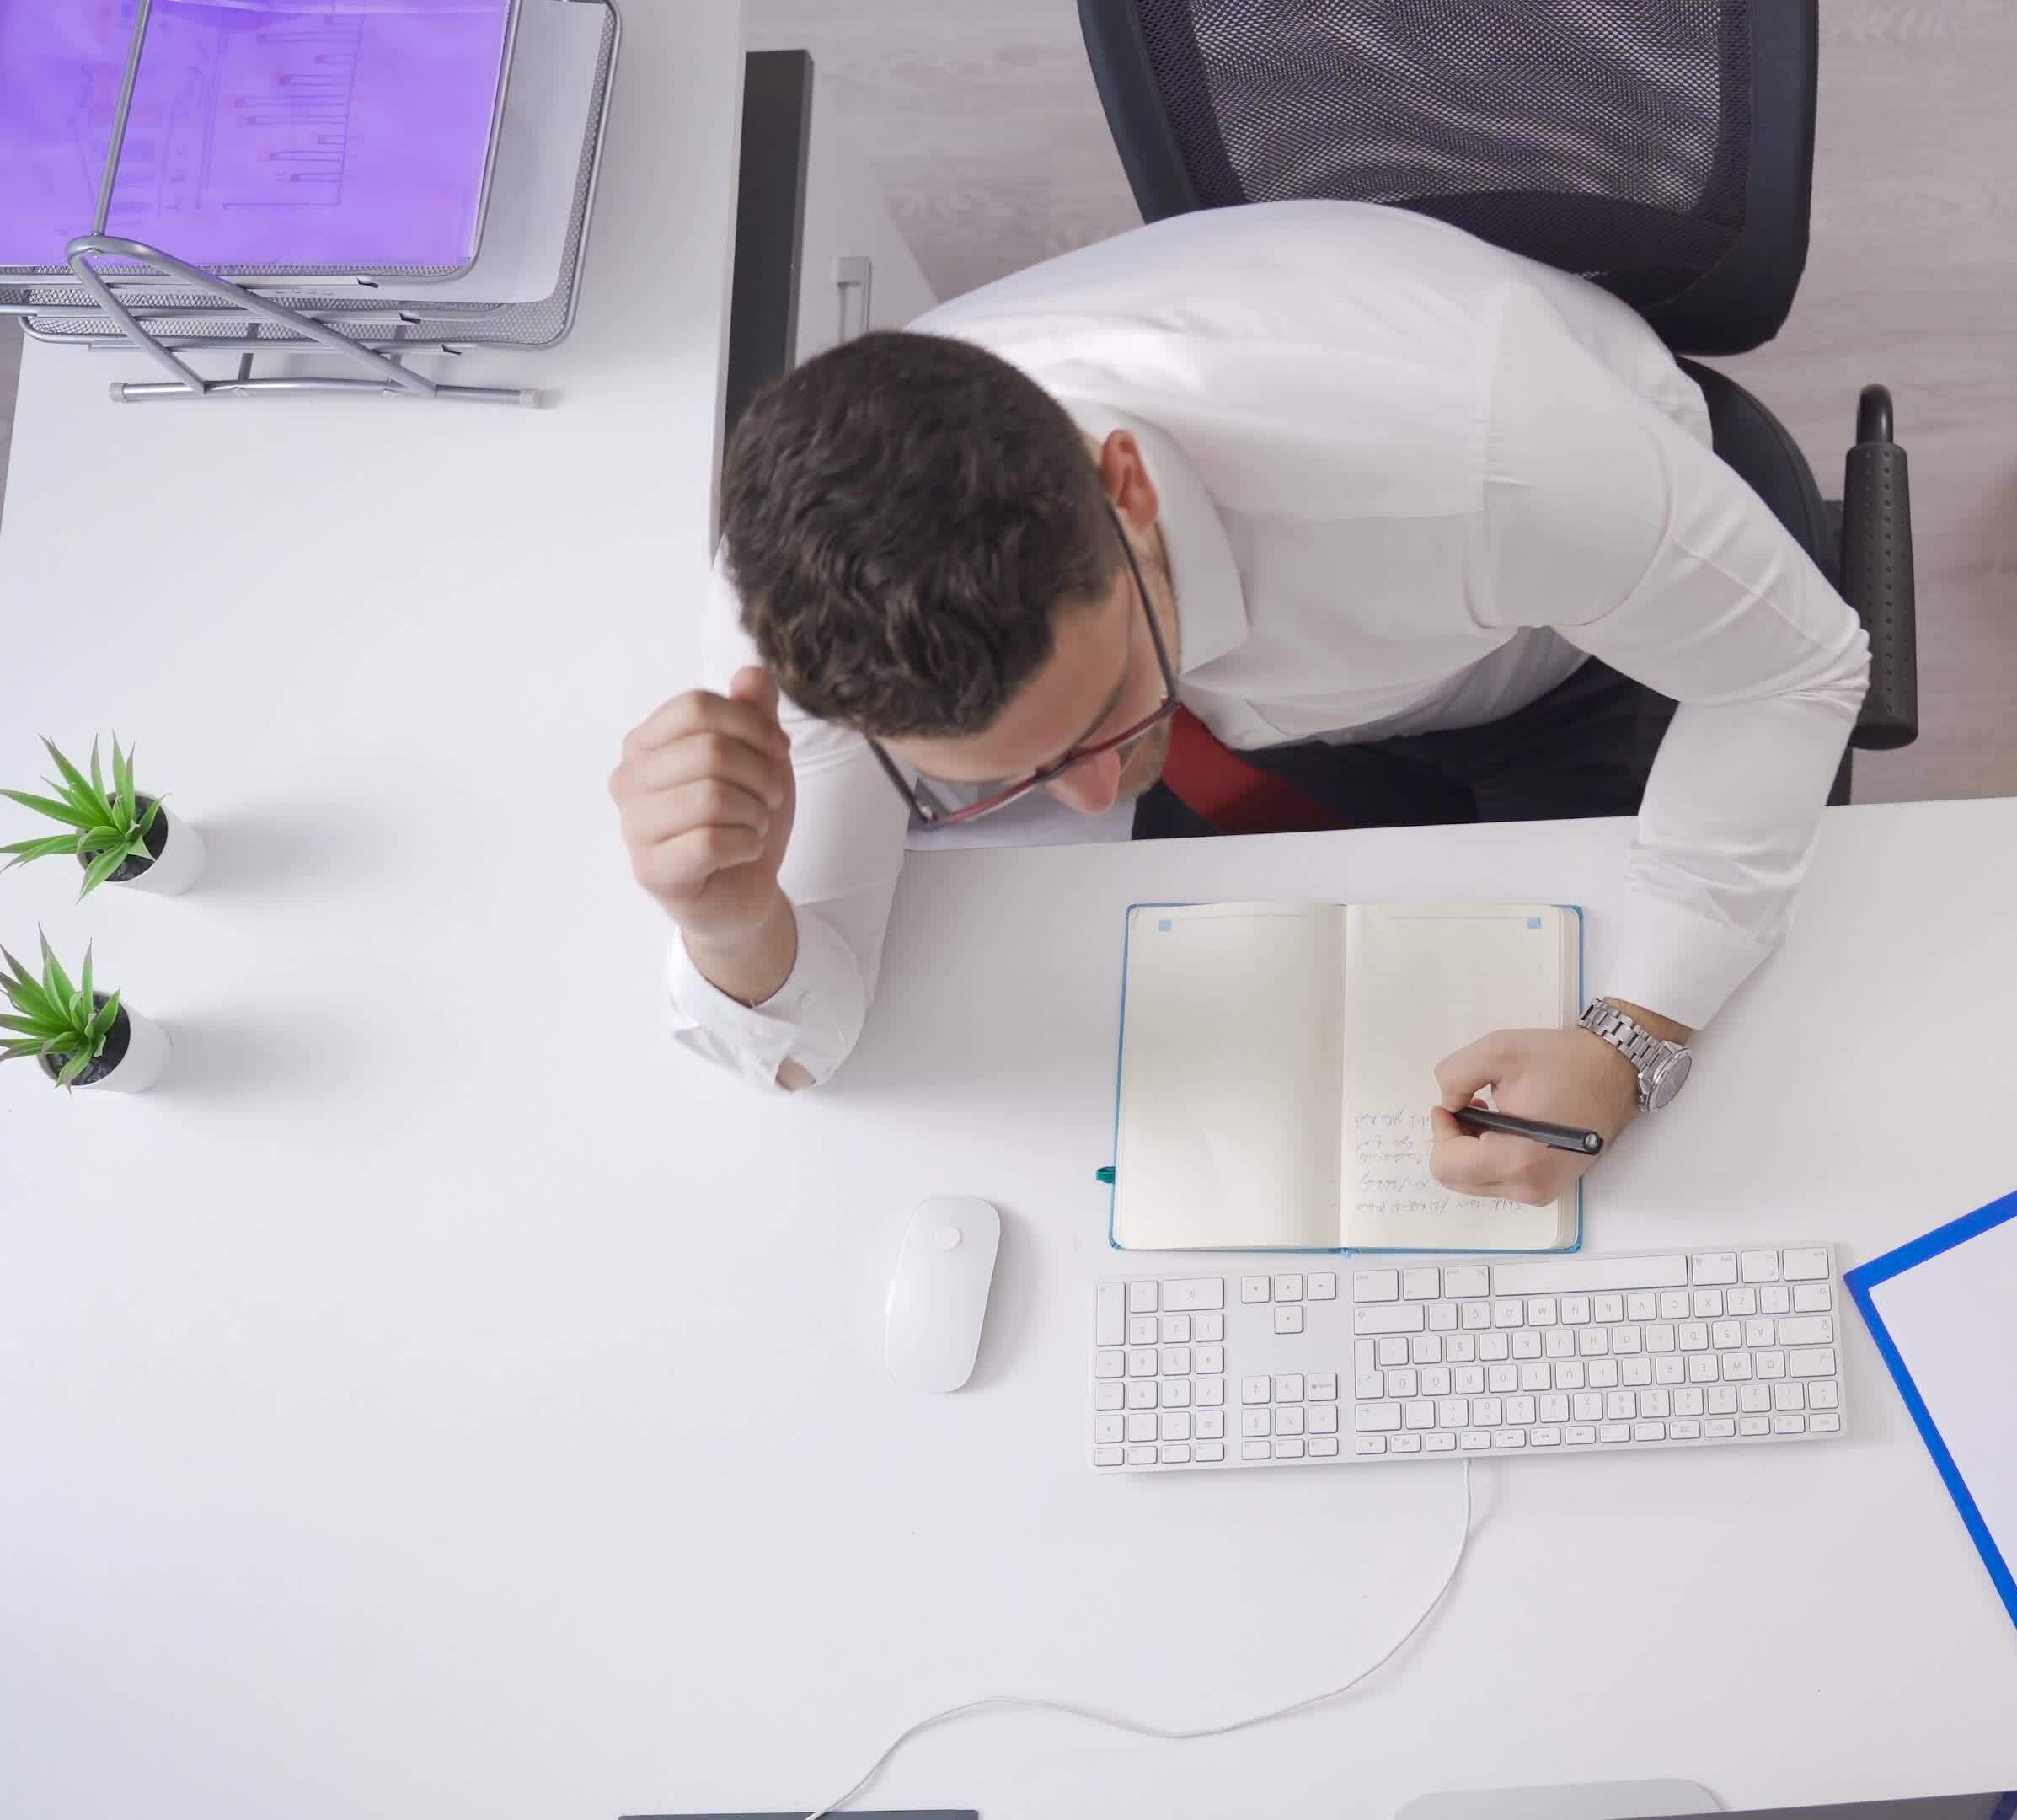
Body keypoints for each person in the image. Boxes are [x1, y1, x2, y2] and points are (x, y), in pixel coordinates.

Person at [609, 200, 1868, 1207]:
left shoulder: (1497, 461)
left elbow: (1799, 667)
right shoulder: (817, 600)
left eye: (1098, 709)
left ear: (1128, 488)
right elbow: (804, 1046)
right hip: (1283, 726)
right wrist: (730, 921)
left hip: (1574, 653)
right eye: (1009, 772)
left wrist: (1633, 1038)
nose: (1093, 800)